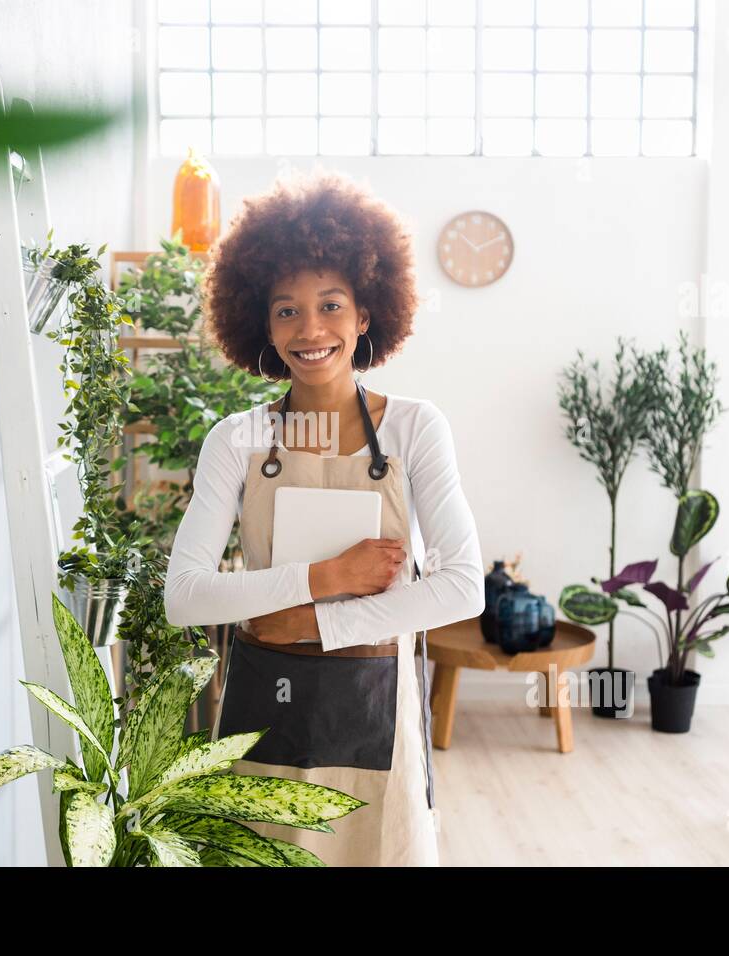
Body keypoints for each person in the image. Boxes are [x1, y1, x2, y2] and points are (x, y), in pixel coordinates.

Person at [163, 170, 484, 866]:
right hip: (263, 712)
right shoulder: (237, 439)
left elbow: (464, 587)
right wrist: (326, 576)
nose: (310, 330)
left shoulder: (414, 430)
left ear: (366, 313)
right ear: (261, 323)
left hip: (373, 709)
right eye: (286, 311)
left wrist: (313, 622)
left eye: (331, 305)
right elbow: (185, 596)